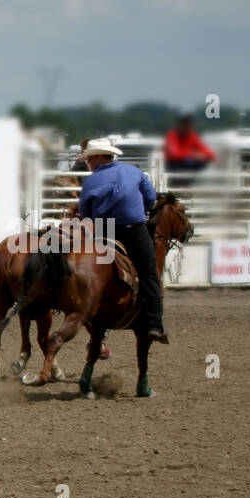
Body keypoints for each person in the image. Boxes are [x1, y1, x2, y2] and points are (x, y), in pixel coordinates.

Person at [77, 137, 167, 343]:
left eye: (89, 160)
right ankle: (154, 323)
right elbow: (150, 198)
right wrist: (138, 210)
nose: (87, 164)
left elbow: (85, 211)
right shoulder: (134, 172)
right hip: (134, 229)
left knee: (95, 275)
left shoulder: (91, 181)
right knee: (149, 273)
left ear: (99, 157)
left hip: (104, 230)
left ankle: (97, 320)